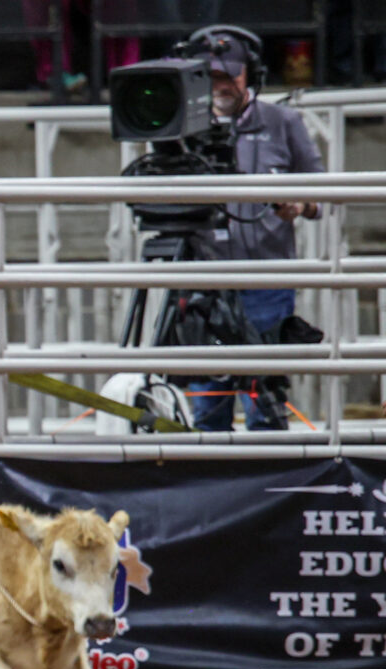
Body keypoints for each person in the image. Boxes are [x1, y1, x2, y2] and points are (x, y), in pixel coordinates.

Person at [180, 25, 324, 431]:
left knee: (264, 400)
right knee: (208, 403)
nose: (220, 85)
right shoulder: (184, 126)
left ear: (250, 75)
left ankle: (270, 484)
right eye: (210, 76)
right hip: (204, 280)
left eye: (228, 75)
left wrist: (302, 203)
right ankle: (209, 483)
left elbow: (323, 192)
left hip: (267, 275)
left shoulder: (284, 122)